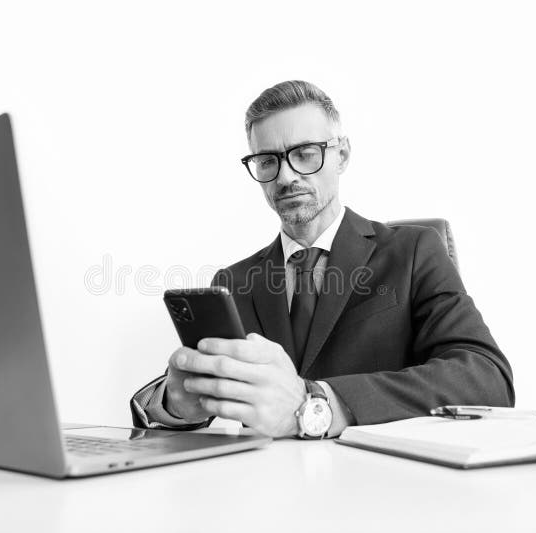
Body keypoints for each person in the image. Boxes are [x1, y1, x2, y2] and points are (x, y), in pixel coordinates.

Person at [130, 80, 514, 439]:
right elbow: (186, 399)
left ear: (341, 155)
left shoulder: (414, 251)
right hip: (267, 494)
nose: (286, 177)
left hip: (387, 491)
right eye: (267, 161)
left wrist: (317, 403)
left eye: (305, 154)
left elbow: (486, 377)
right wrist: (175, 403)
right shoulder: (232, 282)